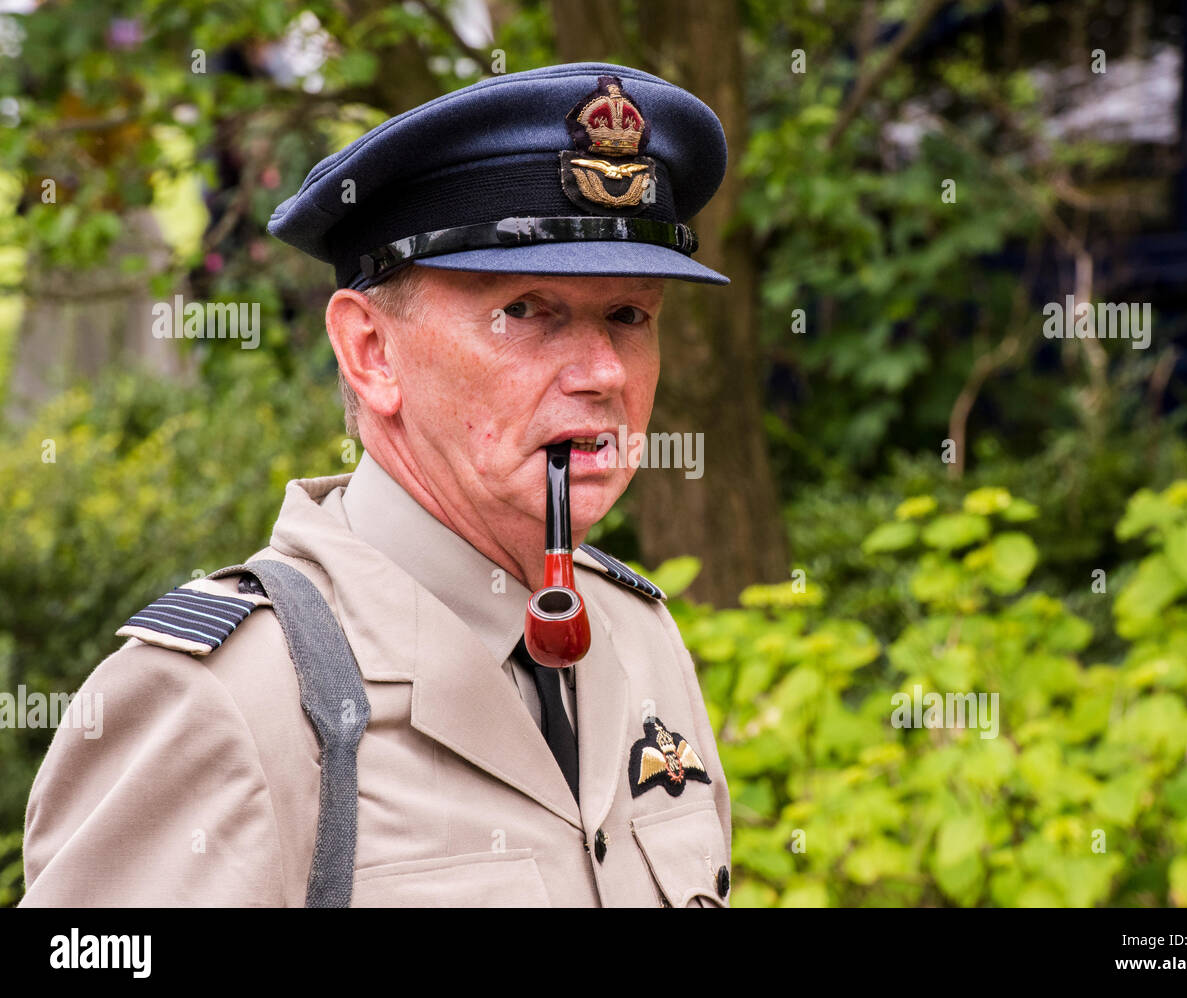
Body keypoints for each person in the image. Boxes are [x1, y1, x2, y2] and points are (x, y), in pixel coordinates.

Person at [20, 62, 733, 907]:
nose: (604, 372)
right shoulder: (226, 701)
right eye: (527, 311)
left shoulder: (638, 635)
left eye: (629, 315)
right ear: (371, 353)